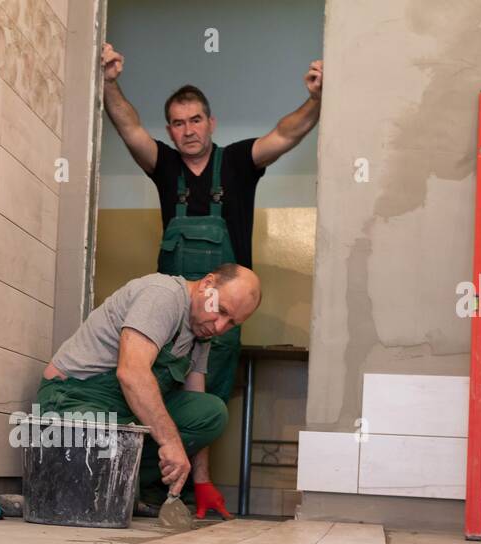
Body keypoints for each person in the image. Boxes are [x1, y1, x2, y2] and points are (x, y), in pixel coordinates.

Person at [100, 43, 322, 405]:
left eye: (196, 120)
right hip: (171, 321)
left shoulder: (238, 161)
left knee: (208, 410)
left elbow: (285, 135)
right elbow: (129, 128)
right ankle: (170, 463)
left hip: (222, 326)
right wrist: (108, 82)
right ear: (170, 131)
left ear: (211, 123)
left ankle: (198, 466)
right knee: (159, 404)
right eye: (178, 123)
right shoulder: (165, 166)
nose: (188, 130)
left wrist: (316, 99)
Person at [36, 265, 262, 518]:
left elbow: (196, 397)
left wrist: (202, 482)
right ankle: (111, 485)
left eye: (232, 323)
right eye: (221, 311)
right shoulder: (163, 296)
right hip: (76, 399)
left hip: (127, 411)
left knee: (210, 412)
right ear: (208, 283)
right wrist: (170, 442)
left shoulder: (202, 331)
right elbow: (132, 372)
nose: (220, 327)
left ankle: (126, 484)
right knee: (92, 499)